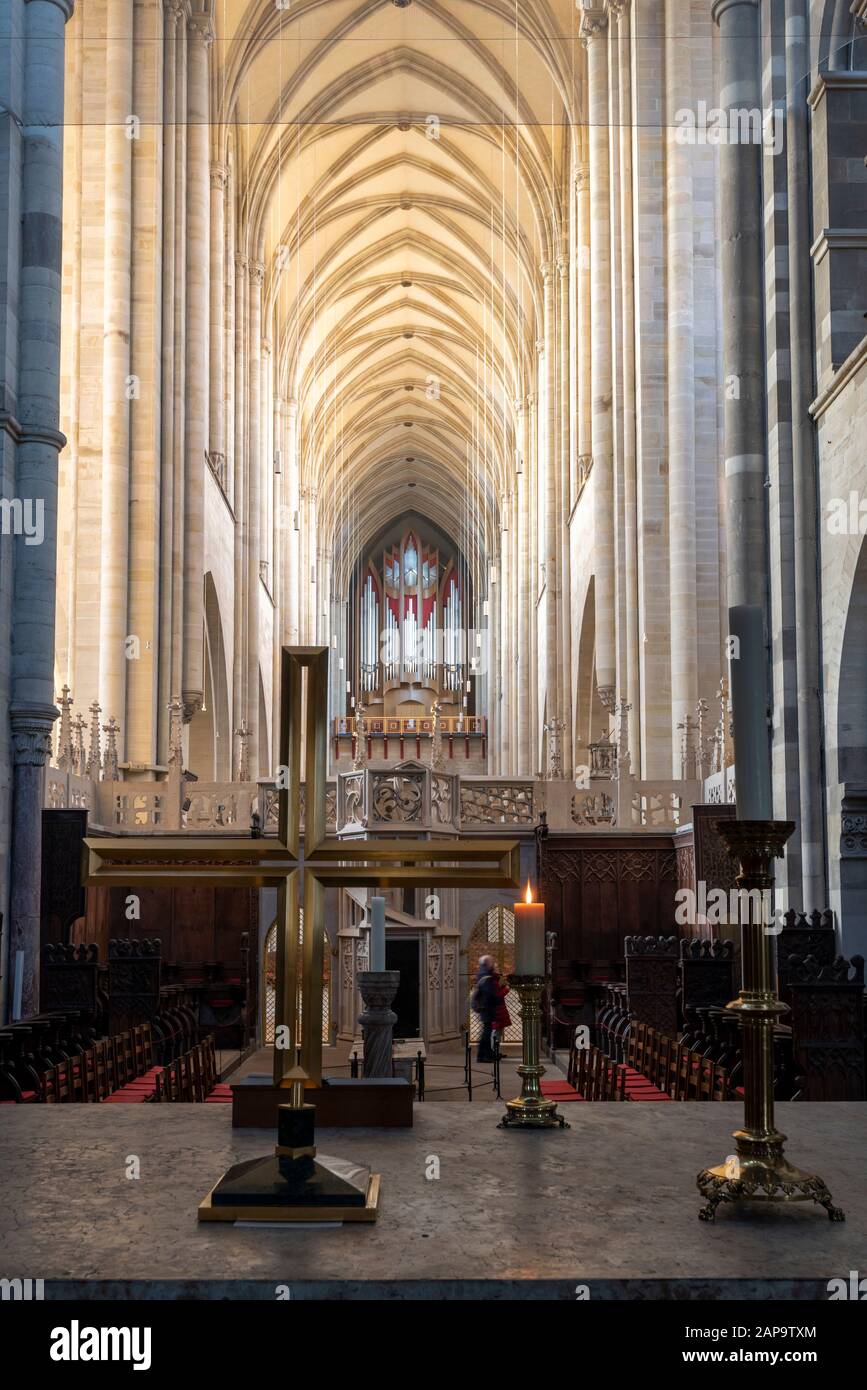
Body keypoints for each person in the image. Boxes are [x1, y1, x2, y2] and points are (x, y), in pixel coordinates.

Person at [471, 954, 499, 1062]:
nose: (494, 964)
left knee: (486, 1031)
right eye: (492, 962)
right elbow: (488, 993)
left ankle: (487, 1054)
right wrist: (497, 1000)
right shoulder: (485, 976)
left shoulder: (484, 973)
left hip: (486, 1007)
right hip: (487, 1008)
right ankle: (483, 1055)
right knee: (486, 1033)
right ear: (487, 963)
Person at [491, 969, 511, 1052]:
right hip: (496, 1010)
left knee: (498, 1032)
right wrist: (506, 989)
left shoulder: (496, 980)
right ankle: (493, 1051)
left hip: (498, 1010)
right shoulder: (493, 982)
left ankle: (496, 1051)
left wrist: (503, 985)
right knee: (495, 1032)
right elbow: (496, 996)